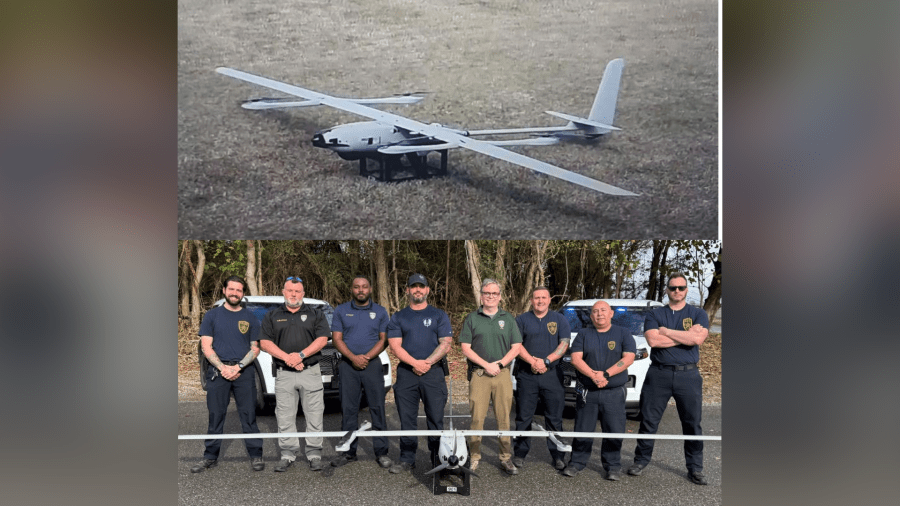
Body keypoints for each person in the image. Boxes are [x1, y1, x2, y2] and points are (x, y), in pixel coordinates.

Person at [627, 273, 710, 485]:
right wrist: (685, 336)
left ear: (686, 289)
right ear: (667, 290)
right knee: (648, 421)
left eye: (681, 288)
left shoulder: (698, 313)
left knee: (692, 423)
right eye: (672, 288)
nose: (677, 291)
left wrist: (668, 332)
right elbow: (654, 341)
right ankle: (641, 460)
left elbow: (697, 338)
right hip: (659, 374)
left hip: (688, 375)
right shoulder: (655, 313)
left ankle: (695, 468)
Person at [191, 275, 264, 473]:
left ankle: (256, 454)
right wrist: (223, 368)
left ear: (243, 293)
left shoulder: (250, 317)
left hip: (244, 372)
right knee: (216, 415)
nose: (235, 293)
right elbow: (206, 346)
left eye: (239, 290)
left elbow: (255, 348)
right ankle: (210, 457)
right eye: (231, 289)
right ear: (224, 290)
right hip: (217, 372)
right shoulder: (212, 316)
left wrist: (238, 367)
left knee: (248, 415)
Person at [259, 277, 331, 473]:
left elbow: (322, 339)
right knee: (284, 415)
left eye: (297, 291)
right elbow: (265, 343)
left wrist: (300, 356)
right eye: (290, 290)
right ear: (283, 292)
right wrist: (287, 358)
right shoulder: (271, 315)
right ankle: (288, 454)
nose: (293, 294)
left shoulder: (316, 314)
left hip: (311, 372)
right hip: (284, 374)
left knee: (315, 414)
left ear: (303, 293)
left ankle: (314, 454)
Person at [386, 274, 453, 474]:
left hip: (434, 373)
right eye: (413, 286)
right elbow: (395, 346)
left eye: (421, 287)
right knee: (407, 418)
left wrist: (428, 363)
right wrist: (415, 363)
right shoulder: (398, 316)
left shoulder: (439, 315)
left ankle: (437, 458)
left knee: (435, 418)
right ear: (407, 290)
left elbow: (446, 343)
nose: (418, 290)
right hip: (407, 373)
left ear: (427, 290)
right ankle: (407, 459)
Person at [562, 300, 635, 481]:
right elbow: (576, 359)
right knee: (583, 428)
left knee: (614, 429)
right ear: (591, 315)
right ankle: (577, 462)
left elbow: (629, 358)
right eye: (595, 311)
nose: (599, 314)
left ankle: (613, 466)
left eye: (603, 310)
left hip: (614, 390)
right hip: (586, 389)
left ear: (611, 313)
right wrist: (593, 376)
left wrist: (606, 374)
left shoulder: (623, 333)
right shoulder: (583, 334)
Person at [458, 279, 523, 475]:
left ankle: (505, 458)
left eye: (494, 293)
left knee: (503, 418)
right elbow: (465, 348)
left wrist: (500, 364)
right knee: (477, 418)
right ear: (481, 296)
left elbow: (516, 347)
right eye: (487, 293)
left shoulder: (508, 318)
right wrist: (487, 365)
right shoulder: (472, 318)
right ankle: (475, 456)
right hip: (480, 373)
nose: (491, 296)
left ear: (500, 296)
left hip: (502, 374)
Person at [329, 276, 392, 470]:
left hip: (372, 365)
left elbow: (384, 339)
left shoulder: (380, 311)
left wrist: (365, 357)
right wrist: (353, 358)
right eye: (357, 287)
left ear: (370, 288)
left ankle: (381, 452)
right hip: (348, 366)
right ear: (352, 289)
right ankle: (348, 452)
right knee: (348, 409)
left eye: (364, 287)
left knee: (377, 408)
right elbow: (337, 339)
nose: (361, 290)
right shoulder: (341, 310)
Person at [512, 286, 572, 470]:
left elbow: (564, 343)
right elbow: (517, 344)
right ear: (531, 300)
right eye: (536, 298)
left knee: (554, 417)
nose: (540, 301)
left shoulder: (559, 319)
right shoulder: (521, 319)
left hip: (552, 375)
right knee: (523, 416)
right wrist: (533, 362)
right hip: (526, 375)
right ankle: (520, 453)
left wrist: (546, 361)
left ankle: (558, 455)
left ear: (549, 299)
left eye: (543, 297)